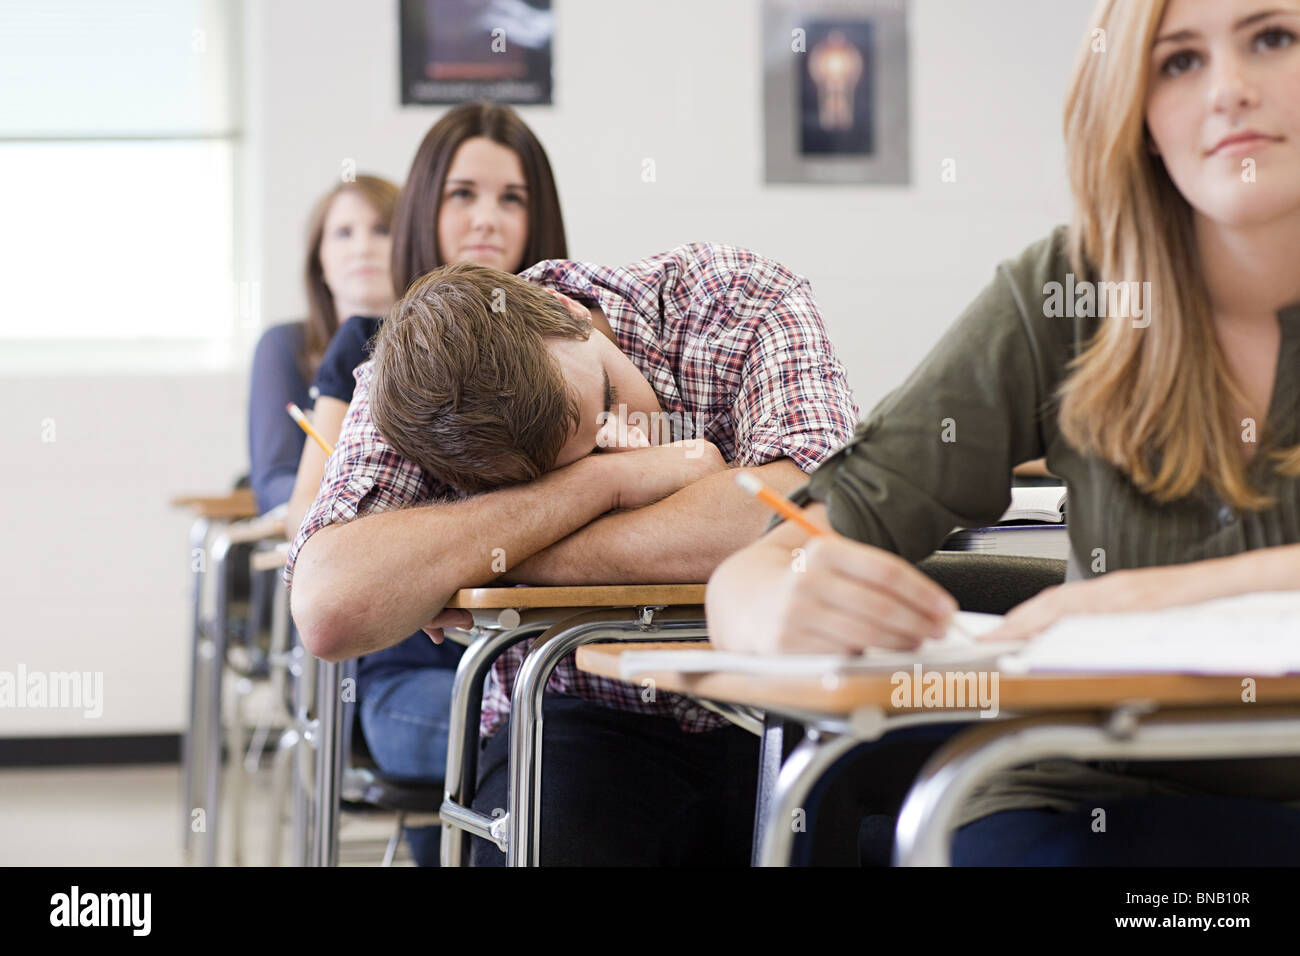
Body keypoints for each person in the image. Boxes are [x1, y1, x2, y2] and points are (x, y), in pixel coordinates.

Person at [706, 0, 1300, 865]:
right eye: (1177, 61)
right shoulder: (1065, 294)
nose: (1229, 91)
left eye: (1273, 38)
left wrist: (1132, 601)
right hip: (1083, 801)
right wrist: (774, 607)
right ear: (1136, 111)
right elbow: (765, 565)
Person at [287, 244, 860, 865]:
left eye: (610, 400)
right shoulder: (416, 391)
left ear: (568, 311)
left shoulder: (736, 299)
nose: (629, 443)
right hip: (575, 714)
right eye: (571, 465)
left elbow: (808, 515)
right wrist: (602, 487)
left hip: (783, 702)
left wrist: (491, 551)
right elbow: (330, 605)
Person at [281, 101, 570, 866]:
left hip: (550, 657)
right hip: (414, 673)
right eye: (462, 194)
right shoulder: (367, 343)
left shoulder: (572, 341)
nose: (488, 219)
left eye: (513, 198)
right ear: (423, 207)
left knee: (598, 735)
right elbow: (304, 527)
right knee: (544, 747)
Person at [247, 175, 398, 516]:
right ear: (320, 262)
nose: (363, 248)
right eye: (344, 233)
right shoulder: (284, 345)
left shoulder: (440, 352)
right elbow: (273, 481)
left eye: (382, 230)